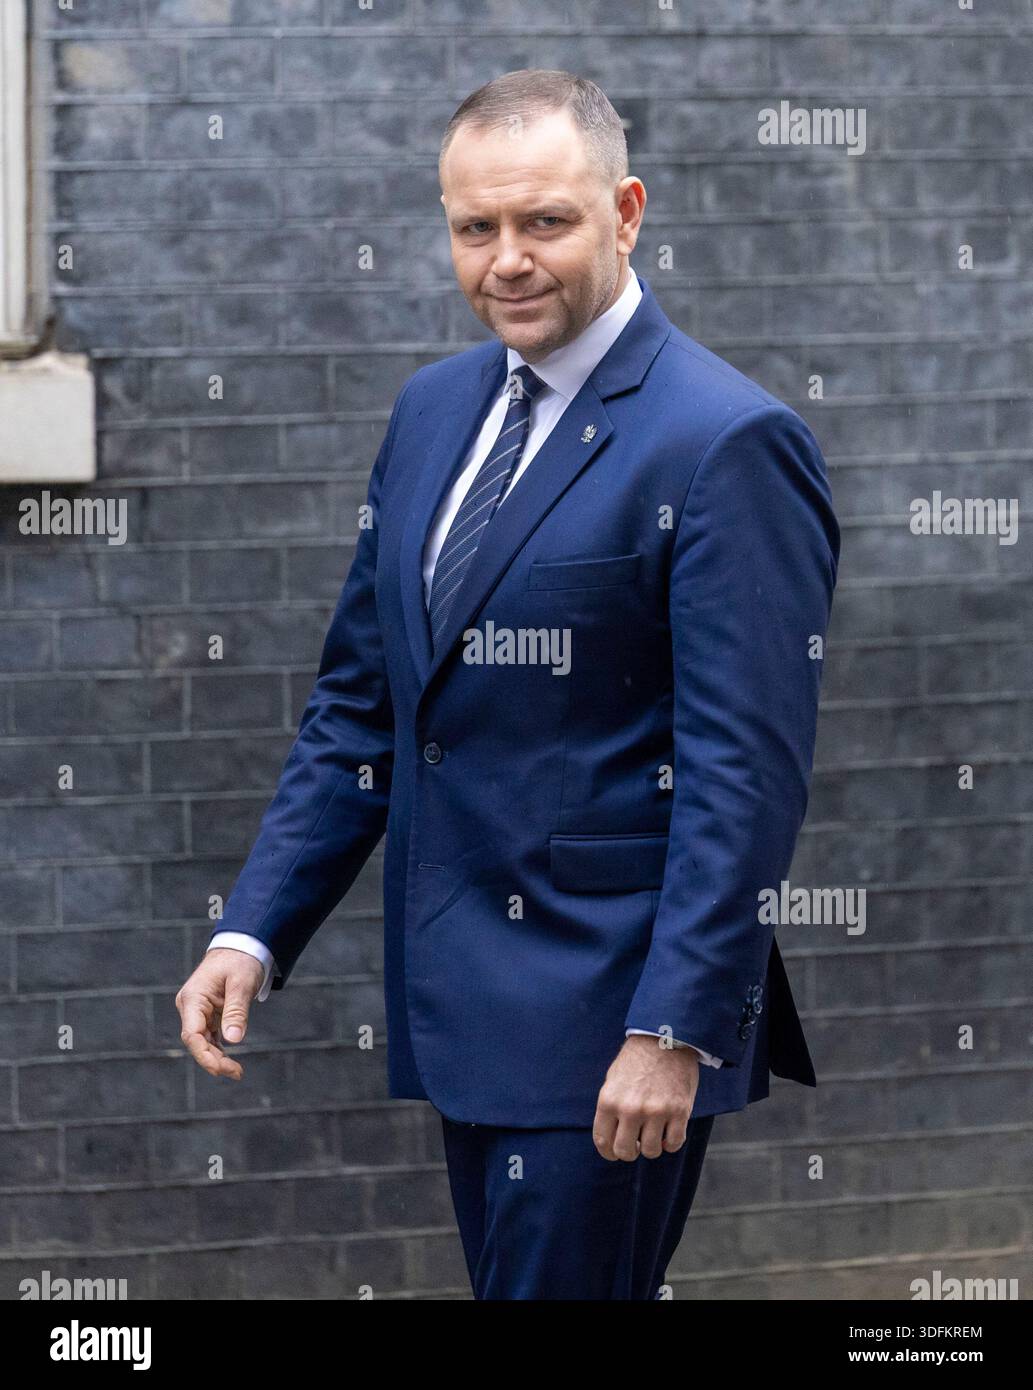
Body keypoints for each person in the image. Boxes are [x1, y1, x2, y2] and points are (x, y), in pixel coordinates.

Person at [176, 69, 840, 1300]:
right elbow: (366, 705)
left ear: (627, 210)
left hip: (611, 1019)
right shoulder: (433, 411)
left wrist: (674, 1027)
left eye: (546, 222)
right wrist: (254, 923)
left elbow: (743, 773)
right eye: (475, 228)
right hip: (463, 1007)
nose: (507, 260)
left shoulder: (725, 441)